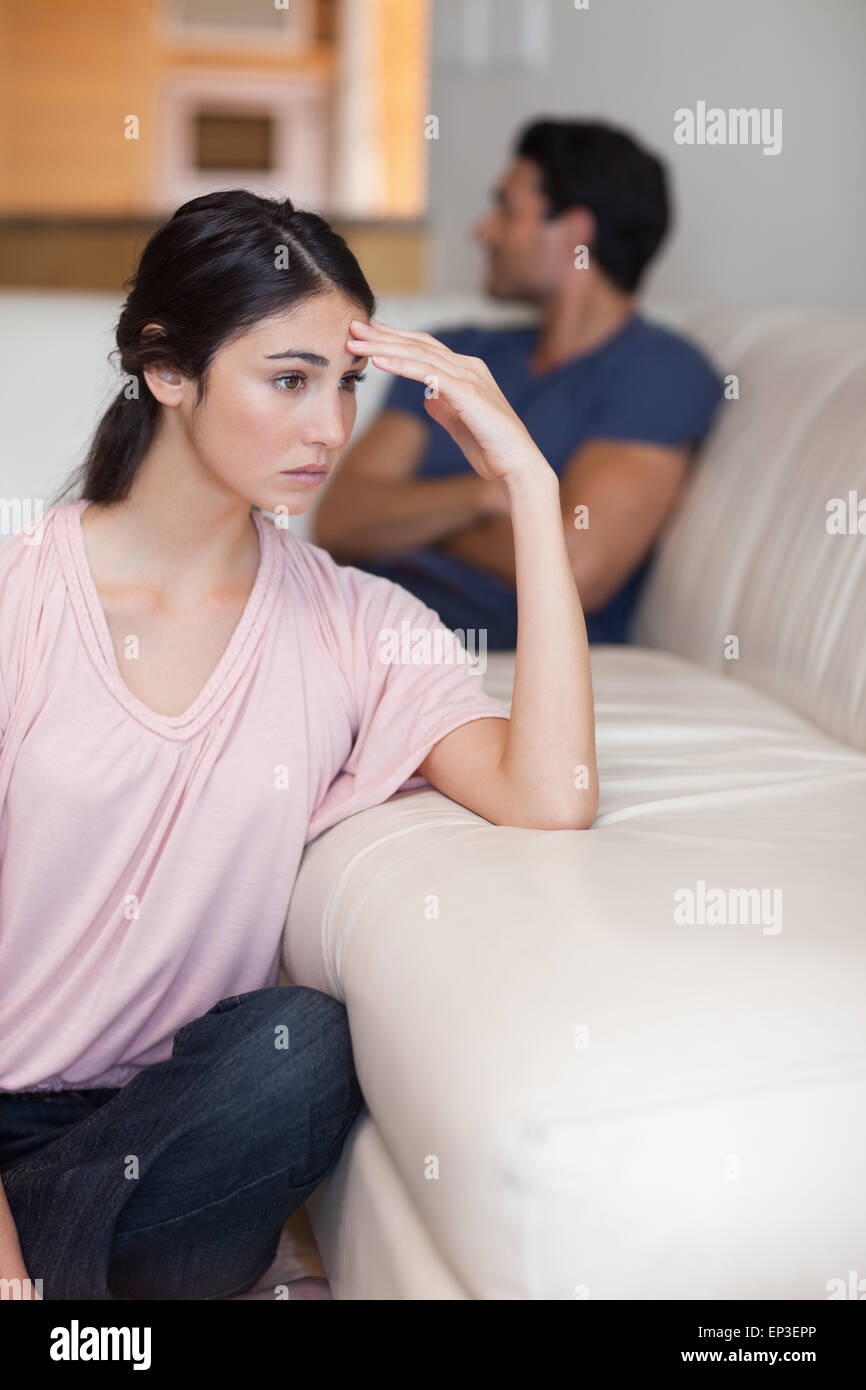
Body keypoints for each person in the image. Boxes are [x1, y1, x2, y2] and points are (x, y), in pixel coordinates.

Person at [0, 189, 598, 1301]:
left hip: (165, 1130)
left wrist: (529, 482)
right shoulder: (22, 594)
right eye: (289, 379)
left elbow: (549, 792)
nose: (330, 426)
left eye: (347, 381)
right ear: (166, 368)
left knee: (303, 1044)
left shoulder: (359, 622)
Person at [312, 118, 724, 648]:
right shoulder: (456, 351)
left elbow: (577, 565)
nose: (482, 231)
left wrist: (415, 517)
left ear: (575, 232)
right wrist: (489, 496)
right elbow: (341, 518)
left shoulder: (659, 371)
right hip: (351, 605)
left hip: (472, 642)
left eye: (506, 208)